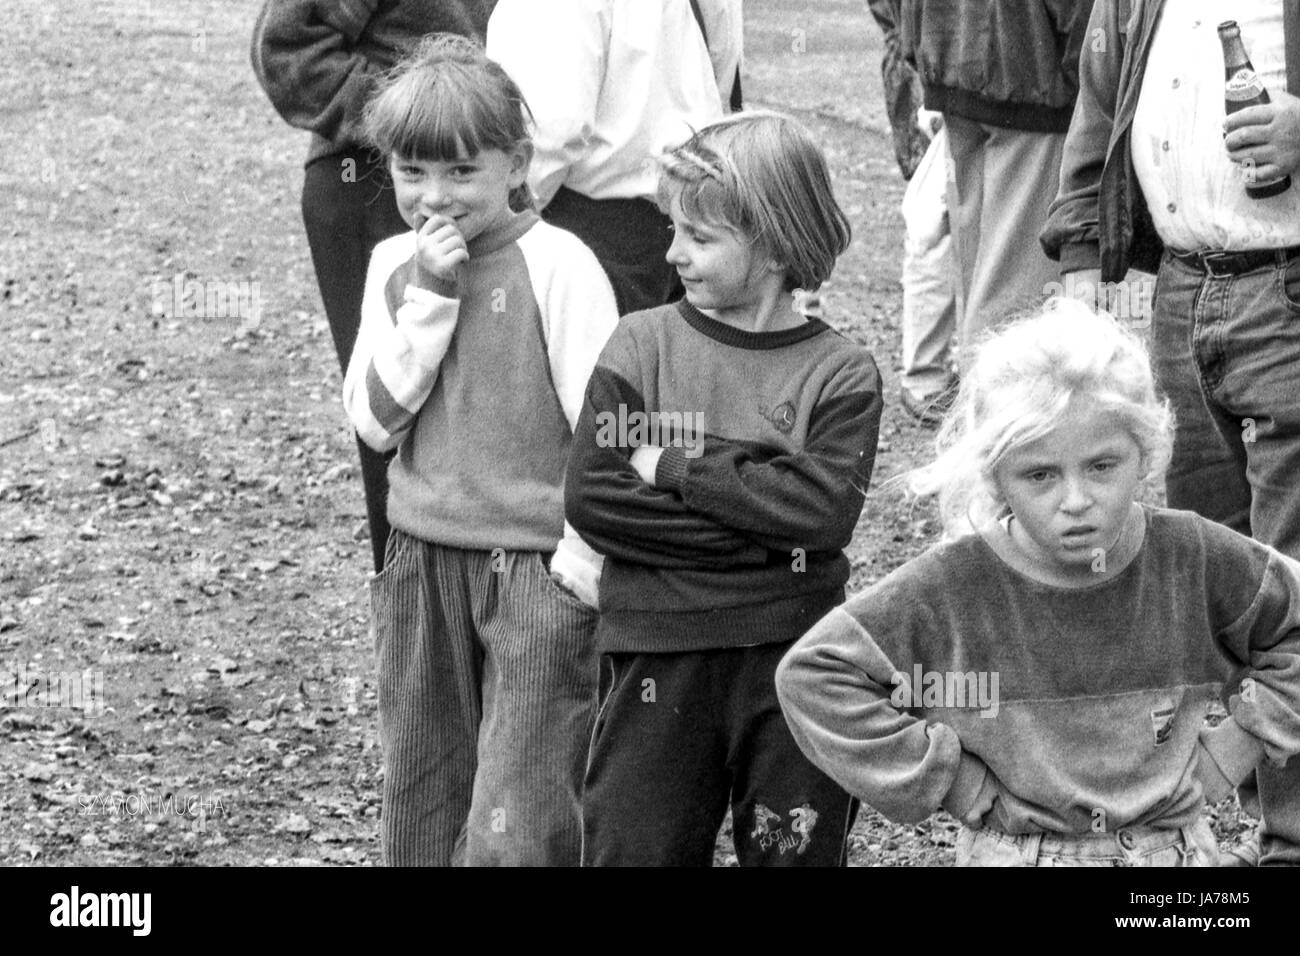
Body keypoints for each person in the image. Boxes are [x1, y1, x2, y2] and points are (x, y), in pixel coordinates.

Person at [776, 300, 1300, 867]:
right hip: (1016, 853)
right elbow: (816, 674)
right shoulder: (955, 582)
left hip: (1171, 852)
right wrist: (953, 783)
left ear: (1144, 452)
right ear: (997, 474)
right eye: (1040, 475)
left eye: (1102, 466)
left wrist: (1233, 749)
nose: (1076, 501)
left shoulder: (1192, 556)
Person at [566, 112, 883, 866]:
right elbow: (595, 499)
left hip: (794, 664)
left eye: (700, 237)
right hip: (656, 658)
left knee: (793, 855)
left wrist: (677, 469)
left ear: (774, 243)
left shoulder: (840, 372)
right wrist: (762, 530)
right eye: (673, 228)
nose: (672, 252)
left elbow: (822, 513)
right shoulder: (639, 345)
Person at [342, 35, 618, 866]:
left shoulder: (561, 265)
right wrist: (429, 295)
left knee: (524, 806)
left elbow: (608, 431)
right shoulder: (394, 265)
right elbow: (376, 421)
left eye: (462, 172)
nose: (436, 197)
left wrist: (580, 566)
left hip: (533, 572)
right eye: (412, 173)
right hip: (423, 563)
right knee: (424, 791)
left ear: (517, 162)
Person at [1041, 0, 1300, 866]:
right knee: (1216, 570)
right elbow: (1098, 109)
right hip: (1183, 291)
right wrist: (1082, 257)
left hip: (1288, 285)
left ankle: (1291, 839)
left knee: (1292, 572)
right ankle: (1264, 792)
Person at [251, 0, 498, 573]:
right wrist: (410, 128)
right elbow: (286, 48)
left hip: (475, 180)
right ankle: (411, 621)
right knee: (395, 413)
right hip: (370, 184)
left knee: (476, 400)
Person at [485, 0, 743, 315]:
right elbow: (722, 57)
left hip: (587, 227)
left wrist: (507, 221)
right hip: (675, 210)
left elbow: (550, 130)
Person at [899, 0, 1090, 366]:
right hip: (1032, 83)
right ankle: (995, 409)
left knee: (978, 276)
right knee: (1015, 294)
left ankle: (979, 403)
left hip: (954, 70)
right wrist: (1091, 73)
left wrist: (921, 49)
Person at [868, 0, 958, 426]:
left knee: (941, 213)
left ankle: (928, 373)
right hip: (934, 66)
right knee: (936, 219)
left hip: (931, 60)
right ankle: (927, 377)